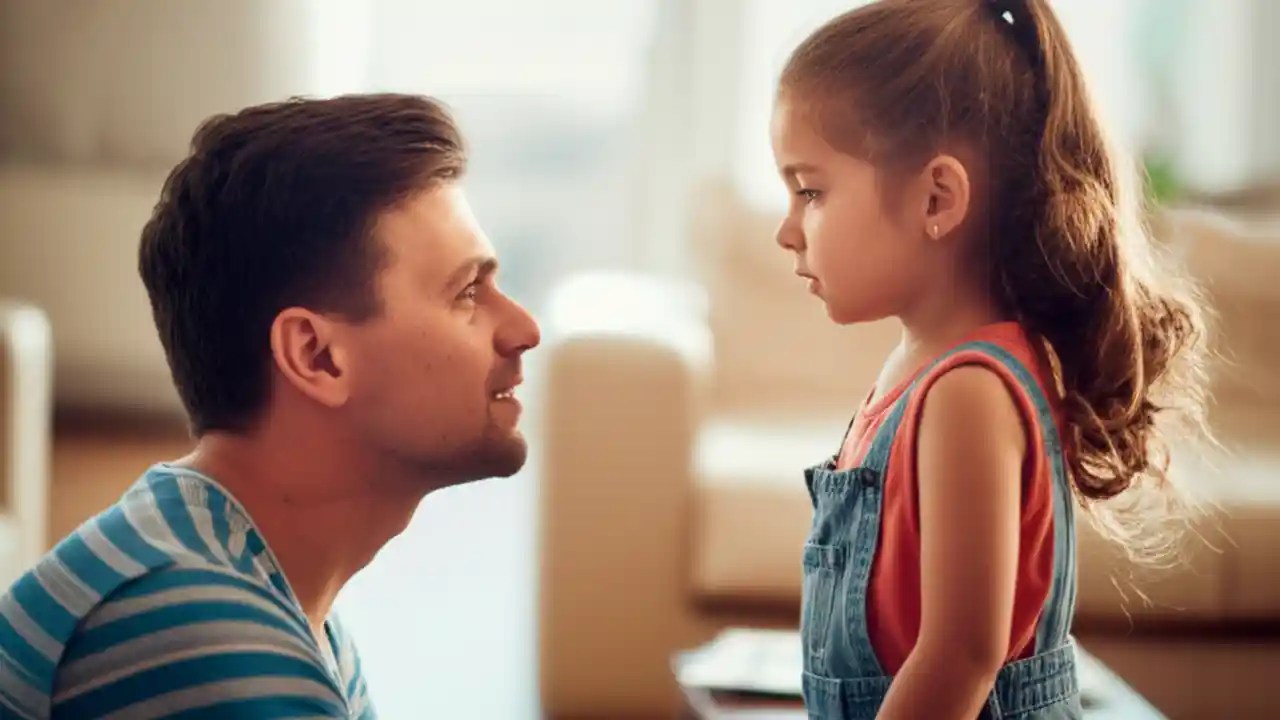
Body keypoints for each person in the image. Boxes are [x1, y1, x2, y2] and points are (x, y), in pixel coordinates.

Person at [0, 94, 540, 718]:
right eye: (468, 291)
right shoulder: (201, 636)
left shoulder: (259, 591)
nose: (524, 328)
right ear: (316, 356)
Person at [770, 1, 1211, 717]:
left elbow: (959, 660)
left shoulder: (968, 392)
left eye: (810, 190)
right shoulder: (916, 370)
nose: (787, 230)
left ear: (937, 198)